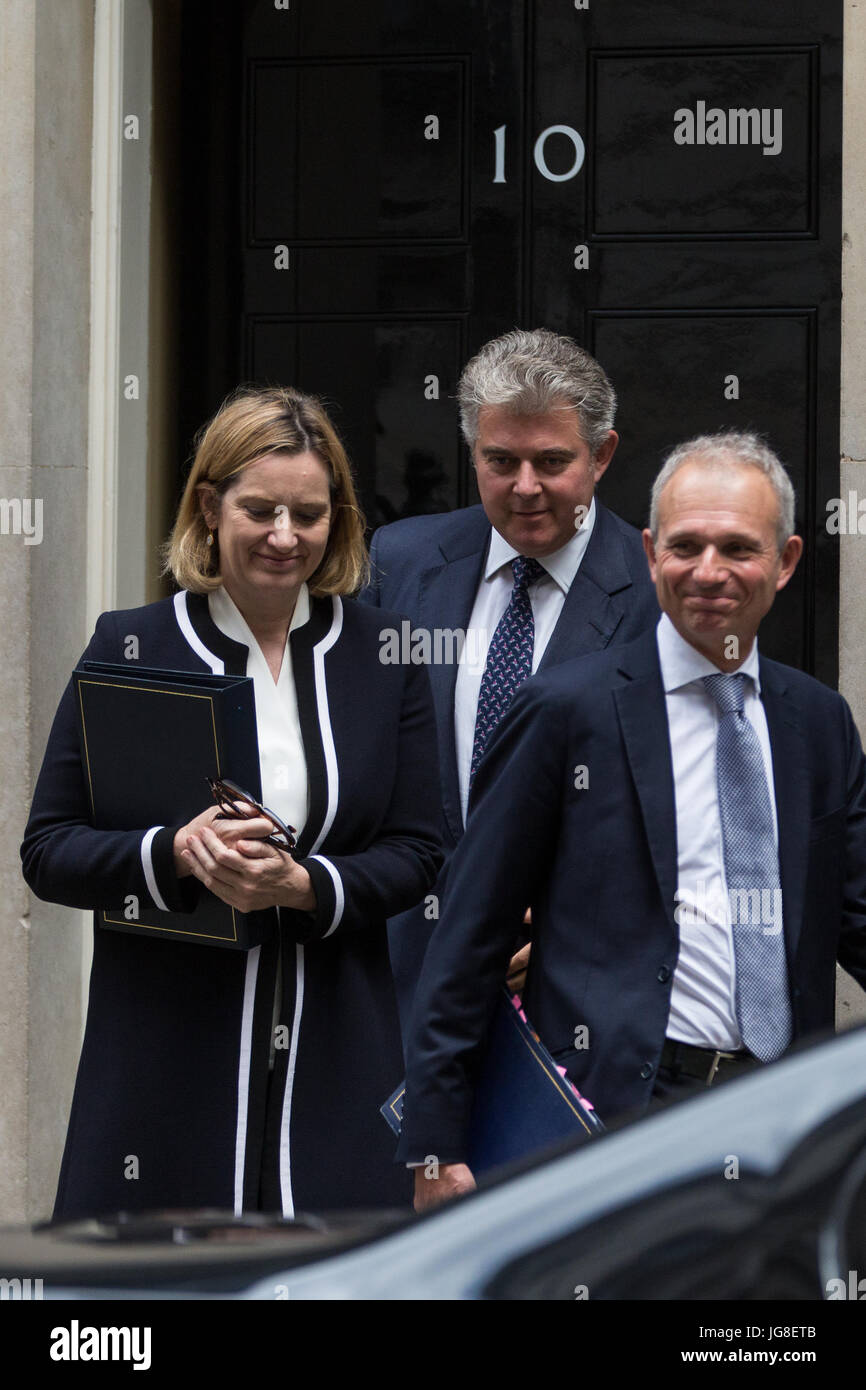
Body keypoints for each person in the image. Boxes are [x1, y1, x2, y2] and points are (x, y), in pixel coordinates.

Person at [397, 429, 866, 1210]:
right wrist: (437, 1143)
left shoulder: (816, 721)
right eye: (685, 546)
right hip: (612, 1115)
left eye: (737, 549)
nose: (709, 572)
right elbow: (468, 933)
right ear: (650, 554)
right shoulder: (565, 709)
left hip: (783, 1121)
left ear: (784, 562)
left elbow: (855, 912)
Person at [21, 385, 442, 1221]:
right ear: (210, 507)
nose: (286, 537)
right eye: (260, 510)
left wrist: (307, 887)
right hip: (167, 1052)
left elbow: (420, 852)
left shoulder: (382, 654)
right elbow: (49, 849)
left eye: (310, 514)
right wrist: (172, 853)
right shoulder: (132, 643)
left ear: (338, 519)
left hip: (337, 1053)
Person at [361, 328, 658, 1033]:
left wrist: (561, 917)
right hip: (405, 985)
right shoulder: (401, 560)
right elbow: (364, 760)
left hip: (578, 997)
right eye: (501, 461)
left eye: (552, 461)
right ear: (473, 453)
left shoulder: (660, 592)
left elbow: (679, 809)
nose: (525, 488)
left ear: (602, 455)